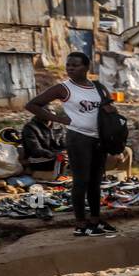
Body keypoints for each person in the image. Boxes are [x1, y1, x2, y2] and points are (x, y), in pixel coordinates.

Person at [25, 51, 118, 237]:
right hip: (78, 139)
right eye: (68, 65)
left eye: (75, 65)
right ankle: (80, 223)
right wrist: (58, 118)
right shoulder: (64, 88)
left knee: (95, 182)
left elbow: (109, 108)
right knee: (81, 181)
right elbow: (32, 105)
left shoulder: (98, 87)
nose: (70, 68)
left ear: (86, 67)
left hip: (98, 139)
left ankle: (95, 220)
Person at [19, 112, 66, 178]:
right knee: (62, 160)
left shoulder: (58, 126)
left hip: (56, 156)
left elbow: (63, 145)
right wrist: (55, 155)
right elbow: (36, 150)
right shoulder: (30, 127)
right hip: (38, 159)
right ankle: (56, 179)